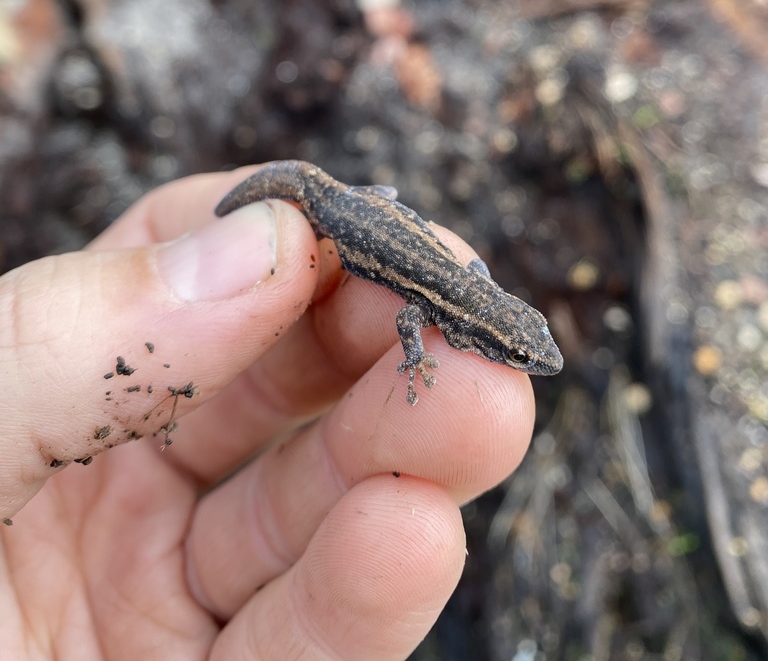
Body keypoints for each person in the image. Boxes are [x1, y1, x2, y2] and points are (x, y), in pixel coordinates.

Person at [0, 167, 535, 659]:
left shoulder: (461, 289)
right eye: (519, 354)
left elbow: (461, 278)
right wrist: (414, 358)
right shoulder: (445, 303)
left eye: (526, 351)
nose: (533, 363)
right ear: (486, 339)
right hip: (339, 225)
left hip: (360, 202)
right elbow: (406, 323)